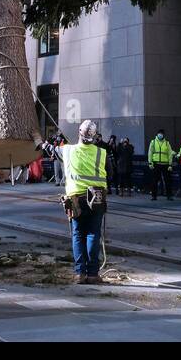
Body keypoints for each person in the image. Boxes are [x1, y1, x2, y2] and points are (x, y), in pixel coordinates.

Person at [40, 120, 109, 284]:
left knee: (78, 235)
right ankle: (93, 274)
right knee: (93, 234)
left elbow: (51, 149)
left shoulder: (68, 150)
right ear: (94, 136)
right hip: (97, 197)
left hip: (76, 198)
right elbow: (110, 173)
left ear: (79, 132)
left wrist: (41, 143)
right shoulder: (102, 153)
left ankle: (80, 273)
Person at [148, 129, 174, 200]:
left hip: (165, 164)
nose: (160, 135)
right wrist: (150, 162)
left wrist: (170, 164)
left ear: (163, 135)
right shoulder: (153, 142)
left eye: (161, 134)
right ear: (157, 134)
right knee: (155, 180)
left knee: (167, 181)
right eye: (159, 133)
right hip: (156, 163)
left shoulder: (167, 143)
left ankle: (169, 195)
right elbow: (150, 153)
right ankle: (154, 196)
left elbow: (170, 154)